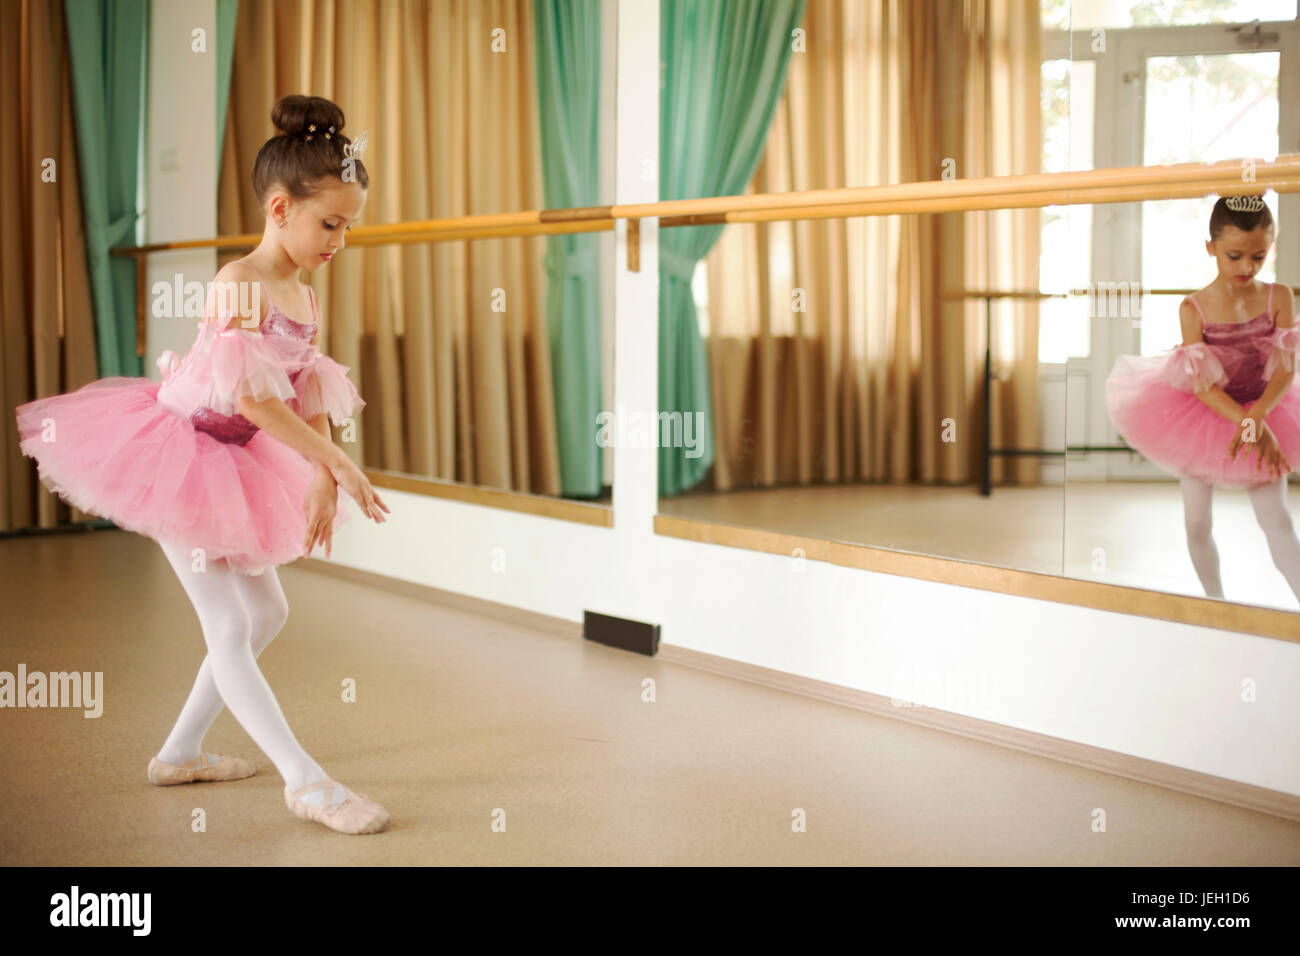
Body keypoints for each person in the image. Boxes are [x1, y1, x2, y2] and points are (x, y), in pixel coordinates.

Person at [15, 94, 393, 834]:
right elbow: (253, 402)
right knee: (227, 627)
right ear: (280, 207)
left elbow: (304, 388)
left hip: (235, 459)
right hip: (177, 452)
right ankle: (306, 783)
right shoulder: (238, 284)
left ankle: (180, 751)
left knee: (269, 613)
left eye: (350, 226)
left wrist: (322, 472)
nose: (340, 240)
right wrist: (340, 467)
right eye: (331, 223)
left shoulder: (303, 295)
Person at [1106, 194, 1300, 604]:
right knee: (1196, 521)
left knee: (1278, 520)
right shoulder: (1193, 308)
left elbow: (1285, 368)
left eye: (1258, 256)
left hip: (1265, 409)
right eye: (1234, 256)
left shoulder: (1278, 297)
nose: (1247, 267)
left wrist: (1258, 418)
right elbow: (1201, 385)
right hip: (1204, 417)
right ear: (1210, 248)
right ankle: (1216, 602)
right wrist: (1243, 421)